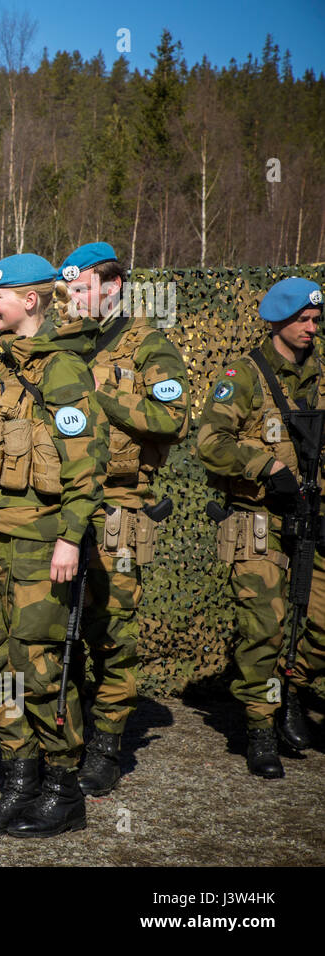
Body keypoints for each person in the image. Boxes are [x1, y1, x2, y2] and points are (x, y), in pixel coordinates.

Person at [0, 253, 107, 838]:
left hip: (38, 545)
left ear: (29, 300)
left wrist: (72, 538)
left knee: (40, 664)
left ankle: (63, 789)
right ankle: (19, 783)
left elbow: (87, 468)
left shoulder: (62, 371)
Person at [60, 242, 190, 795]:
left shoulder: (149, 345)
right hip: (61, 508)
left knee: (112, 631)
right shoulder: (62, 343)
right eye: (68, 291)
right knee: (60, 628)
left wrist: (102, 397)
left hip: (118, 507)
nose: (72, 300)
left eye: (82, 288)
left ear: (113, 287)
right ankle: (65, 739)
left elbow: (172, 418)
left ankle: (107, 746)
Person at [195, 276, 325, 778]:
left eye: (316, 320)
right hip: (258, 522)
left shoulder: (319, 375)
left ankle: (290, 686)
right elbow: (211, 442)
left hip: (313, 519)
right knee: (264, 628)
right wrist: (268, 467)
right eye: (303, 320)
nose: (312, 328)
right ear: (278, 322)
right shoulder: (243, 376)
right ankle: (261, 729)